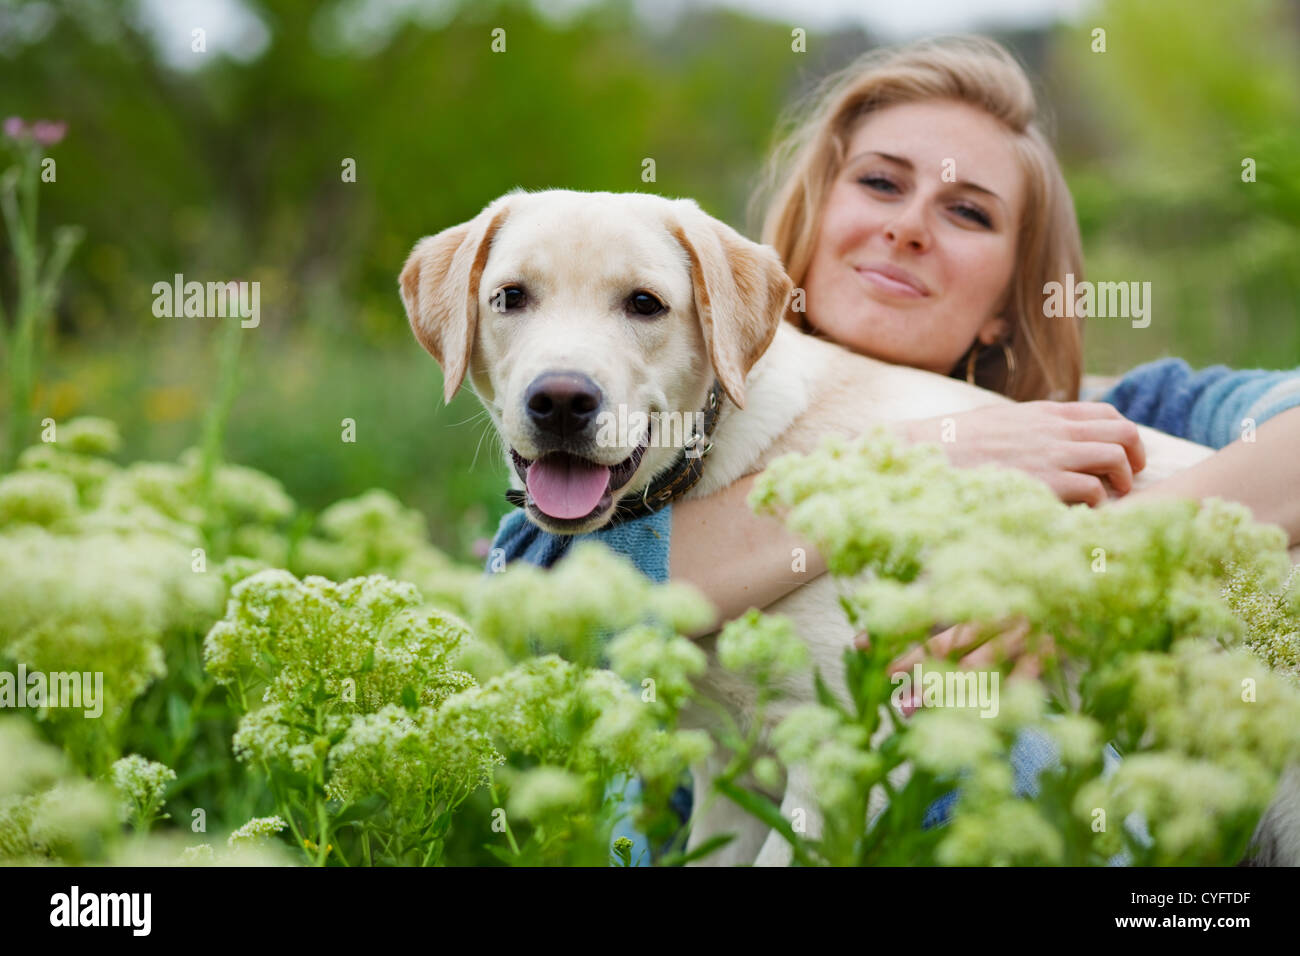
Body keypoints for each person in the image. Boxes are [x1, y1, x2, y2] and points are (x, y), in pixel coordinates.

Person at [487, 35, 1300, 862]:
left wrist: (1094, 564)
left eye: (967, 211)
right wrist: (918, 459)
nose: (909, 226)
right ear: (809, 219)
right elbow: (544, 599)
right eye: (880, 182)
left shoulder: (1121, 411)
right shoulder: (644, 433)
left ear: (1008, 303)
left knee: (947, 724)